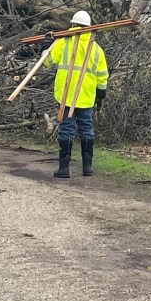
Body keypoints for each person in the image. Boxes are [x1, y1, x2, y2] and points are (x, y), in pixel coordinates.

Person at [42, 10, 108, 178]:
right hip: (86, 96)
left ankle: (64, 168)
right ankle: (87, 167)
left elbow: (47, 62)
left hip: (66, 95)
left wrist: (46, 45)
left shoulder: (63, 42)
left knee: (66, 129)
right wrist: (101, 95)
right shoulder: (96, 48)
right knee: (86, 129)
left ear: (72, 24)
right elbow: (102, 76)